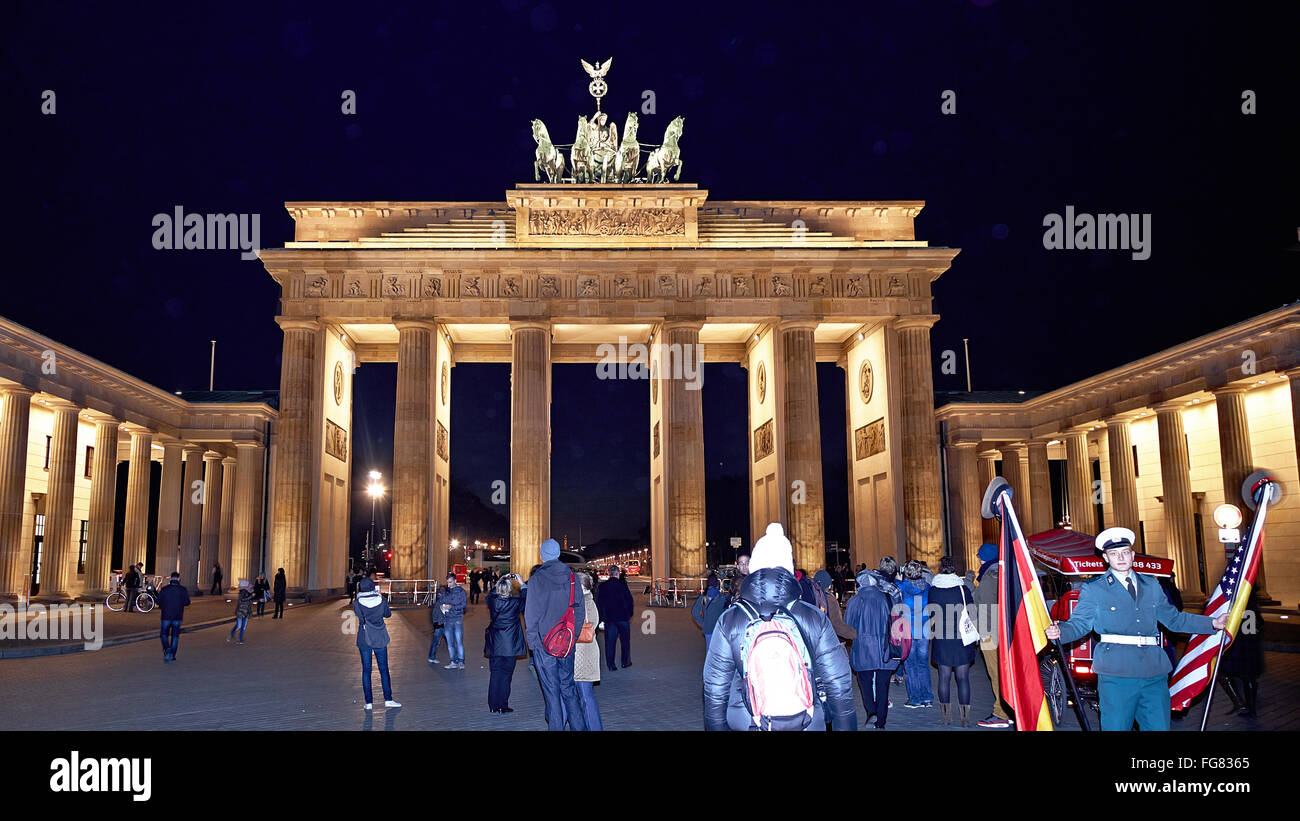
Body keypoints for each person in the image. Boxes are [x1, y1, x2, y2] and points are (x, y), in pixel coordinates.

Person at [1046, 527, 1224, 731]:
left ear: (1132, 554)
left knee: (1159, 728)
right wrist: (1061, 632)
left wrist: (1212, 623)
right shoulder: (1095, 588)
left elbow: (1174, 619)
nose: (1120, 557)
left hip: (1154, 672)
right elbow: (1080, 624)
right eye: (1114, 553)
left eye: (1124, 552)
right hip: (1116, 674)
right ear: (1105, 558)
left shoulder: (1151, 585)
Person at [704, 522, 856, 731]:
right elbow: (839, 684)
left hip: (749, 719)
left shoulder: (731, 618)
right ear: (789, 568)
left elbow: (714, 688)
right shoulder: (813, 616)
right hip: (807, 719)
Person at [524, 538, 587, 731]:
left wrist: (534, 644)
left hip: (544, 645)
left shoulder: (536, 579)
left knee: (551, 693)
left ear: (542, 556)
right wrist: (572, 636)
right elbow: (580, 611)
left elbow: (531, 614)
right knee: (569, 690)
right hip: (566, 644)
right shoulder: (572, 577)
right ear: (559, 554)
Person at [928, 556, 978, 727]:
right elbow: (972, 611)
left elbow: (931, 612)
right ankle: (965, 719)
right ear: (954, 570)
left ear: (940, 569)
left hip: (942, 637)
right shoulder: (962, 589)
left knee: (944, 677)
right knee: (963, 678)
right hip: (961, 637)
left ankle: (946, 717)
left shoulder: (934, 589)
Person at [846, 566, 894, 728]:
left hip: (863, 648)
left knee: (865, 682)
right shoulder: (886, 598)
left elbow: (849, 628)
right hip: (884, 648)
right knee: (883, 685)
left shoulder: (855, 601)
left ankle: (871, 711)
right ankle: (881, 720)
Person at [971, 542, 1012, 728]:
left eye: (979, 555)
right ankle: (1009, 708)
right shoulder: (1003, 573)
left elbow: (985, 606)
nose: (978, 558)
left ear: (983, 557)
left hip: (990, 632)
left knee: (996, 673)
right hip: (1004, 630)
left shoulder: (989, 577)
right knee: (1004, 672)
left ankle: (1001, 712)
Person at [564, 571, 603, 730]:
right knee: (582, 696)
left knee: (585, 697)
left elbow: (580, 629)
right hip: (583, 654)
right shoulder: (586, 601)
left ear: (580, 586)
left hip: (583, 655)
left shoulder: (585, 603)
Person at [353, 577, 400, 710]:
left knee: (366, 671)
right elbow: (388, 614)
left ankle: (368, 703)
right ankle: (388, 699)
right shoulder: (381, 600)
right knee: (384, 669)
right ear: (373, 587)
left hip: (364, 638)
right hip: (379, 637)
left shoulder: (357, 602)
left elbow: (360, 618)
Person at [485, 575, 526, 712]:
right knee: (506, 675)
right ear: (509, 590)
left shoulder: (492, 601)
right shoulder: (515, 603)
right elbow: (527, 596)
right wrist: (521, 582)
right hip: (510, 645)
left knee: (495, 674)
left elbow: (491, 593)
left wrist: (500, 579)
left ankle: (493, 706)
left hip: (495, 644)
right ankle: (503, 705)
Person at [1219, 590, 1262, 718]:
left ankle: (1240, 704)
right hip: (1251, 646)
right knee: (1249, 677)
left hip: (1237, 647)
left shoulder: (1234, 606)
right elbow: (1260, 623)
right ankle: (1250, 707)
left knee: (1223, 674)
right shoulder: (1252, 605)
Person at [897, 561, 934, 709]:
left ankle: (915, 698)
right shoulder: (928, 588)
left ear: (907, 573)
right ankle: (927, 697)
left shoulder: (902, 587)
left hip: (908, 630)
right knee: (923, 664)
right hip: (924, 629)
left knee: (911, 665)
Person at [596, 564, 634, 671]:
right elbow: (630, 601)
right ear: (617, 574)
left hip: (609, 619)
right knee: (625, 641)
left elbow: (599, 604)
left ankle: (611, 665)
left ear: (609, 574)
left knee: (610, 643)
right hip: (623, 618)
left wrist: (601, 618)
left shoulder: (602, 587)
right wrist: (629, 615)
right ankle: (625, 662)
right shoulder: (623, 585)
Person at [434, 572, 467, 668]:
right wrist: (442, 606)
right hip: (447, 619)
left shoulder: (461, 592)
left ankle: (461, 661)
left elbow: (463, 605)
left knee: (458, 641)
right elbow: (442, 601)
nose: (448, 585)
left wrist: (451, 607)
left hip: (457, 619)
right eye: (447, 582)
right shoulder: (446, 592)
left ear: (455, 581)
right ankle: (453, 661)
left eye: (450, 582)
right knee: (450, 642)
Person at [156, 571, 190, 662]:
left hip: (166, 615)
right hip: (177, 615)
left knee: (163, 634)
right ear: (179, 579)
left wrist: (163, 605)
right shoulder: (183, 589)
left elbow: (158, 601)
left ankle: (167, 649)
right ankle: (172, 654)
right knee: (175, 636)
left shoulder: (165, 589)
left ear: (171, 579)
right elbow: (187, 602)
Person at [227, 579, 253, 645]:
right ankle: (231, 633)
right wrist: (251, 597)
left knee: (243, 627)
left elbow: (249, 602)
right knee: (239, 626)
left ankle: (239, 639)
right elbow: (243, 600)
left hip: (246, 611)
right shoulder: (242, 592)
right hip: (240, 611)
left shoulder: (247, 592)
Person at [428, 581, 448, 665]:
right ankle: (431, 657)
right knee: (437, 642)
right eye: (441, 590)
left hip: (442, 624)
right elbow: (434, 613)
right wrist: (436, 623)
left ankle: (431, 657)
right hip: (440, 625)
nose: (442, 591)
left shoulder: (441, 599)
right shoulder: (439, 601)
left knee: (437, 642)